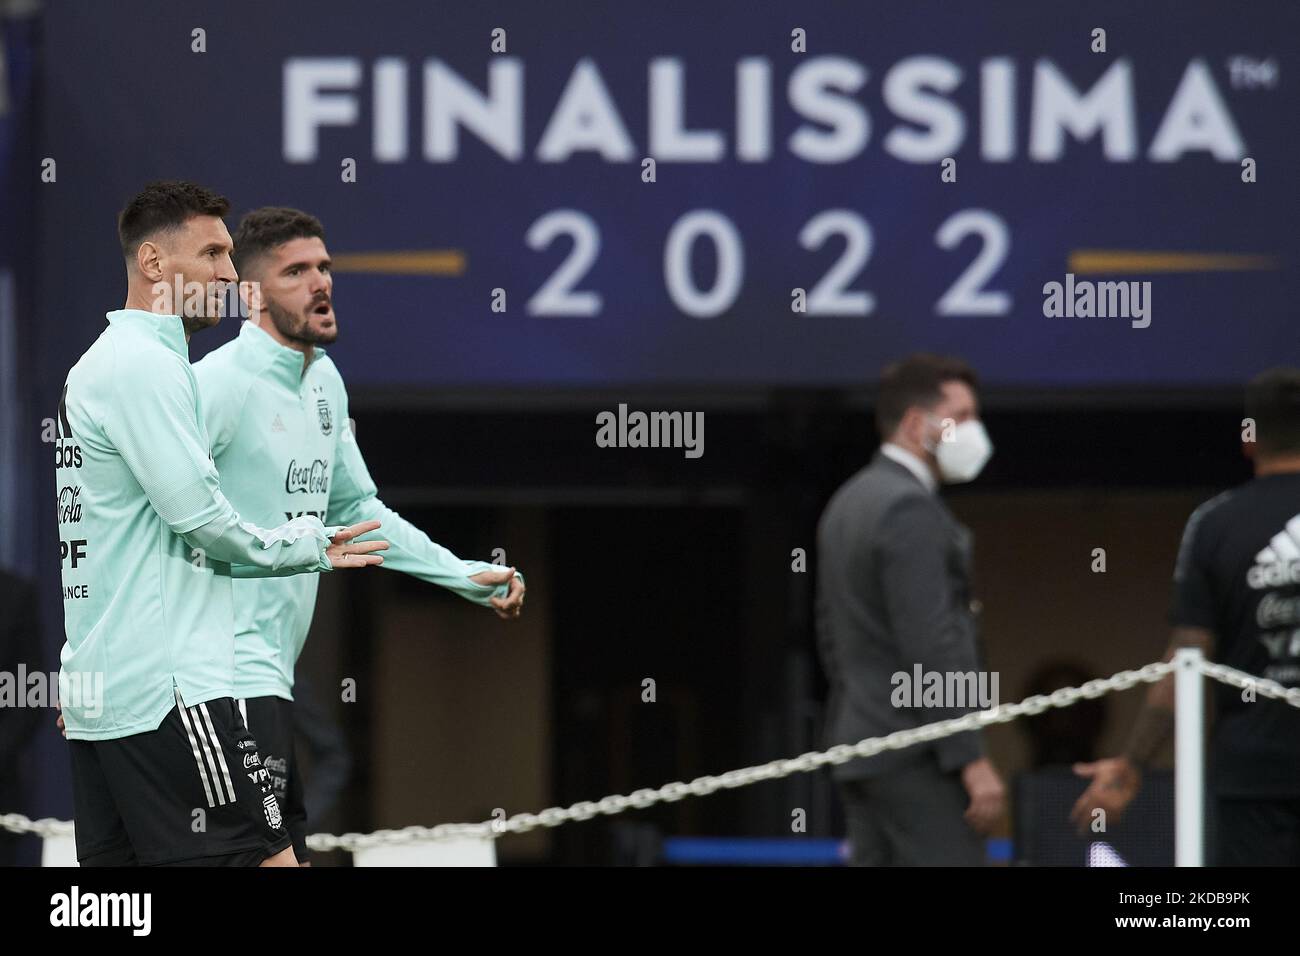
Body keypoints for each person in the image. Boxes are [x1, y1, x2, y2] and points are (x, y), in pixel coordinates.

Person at [55, 181, 387, 867]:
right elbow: (202, 520)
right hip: (177, 696)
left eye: (230, 256)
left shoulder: (105, 365)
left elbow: (95, 548)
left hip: (110, 700)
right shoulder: (146, 366)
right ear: (153, 264)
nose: (230, 276)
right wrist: (309, 542)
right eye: (212, 254)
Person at [192, 206, 525, 864]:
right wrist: (95, 663)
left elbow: (362, 514)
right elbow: (136, 515)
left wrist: (463, 576)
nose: (320, 283)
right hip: (214, 679)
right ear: (251, 294)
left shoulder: (325, 384)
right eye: (296, 271)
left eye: (324, 267)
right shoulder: (216, 386)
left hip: (269, 680)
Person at [1073, 367, 1300, 866]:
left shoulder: (1215, 525)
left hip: (1251, 778)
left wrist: (1131, 766)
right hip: (1249, 781)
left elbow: (1186, 662)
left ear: (1250, 439)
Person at [816, 353, 1005, 866]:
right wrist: (970, 759)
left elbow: (831, 638)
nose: (974, 431)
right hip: (917, 757)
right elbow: (931, 642)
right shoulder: (909, 508)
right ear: (918, 425)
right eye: (961, 417)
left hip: (861, 748)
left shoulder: (846, 503)